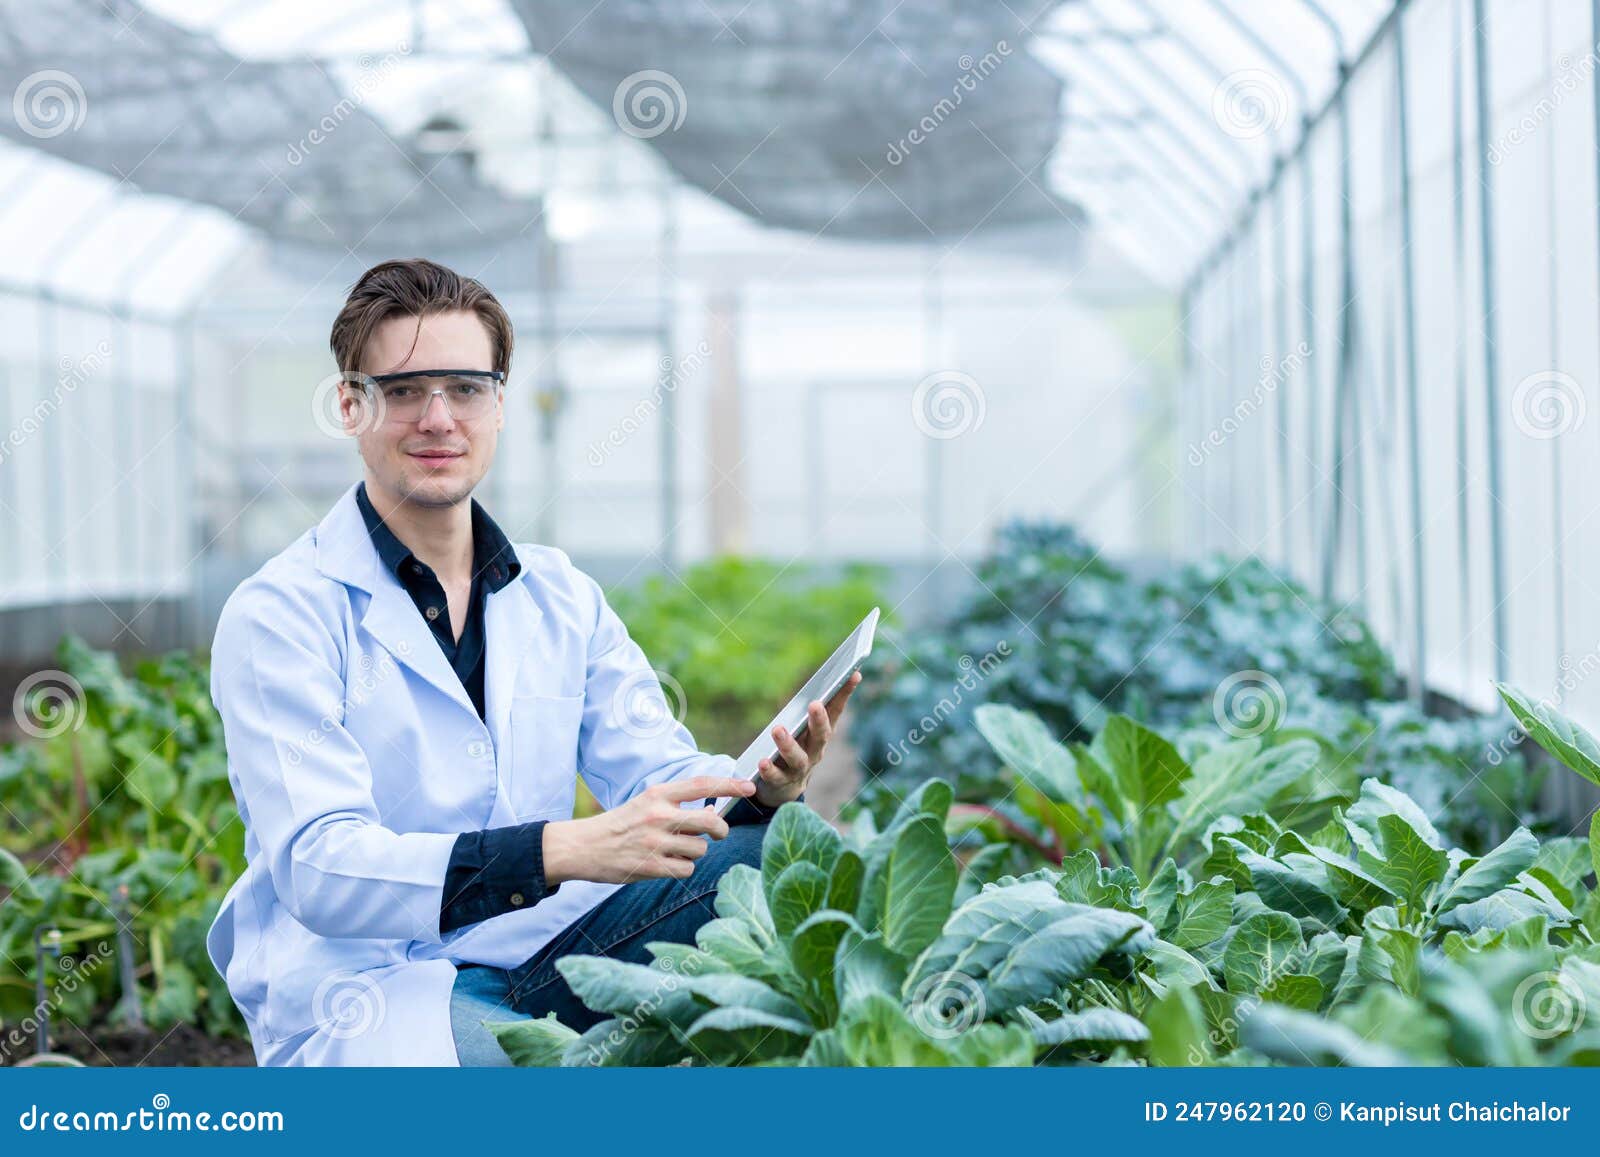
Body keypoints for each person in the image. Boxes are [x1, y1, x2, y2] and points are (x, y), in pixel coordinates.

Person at [204, 258, 859, 1066]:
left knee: (772, 848)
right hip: (371, 992)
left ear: (500, 403)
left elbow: (657, 766)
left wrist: (760, 783)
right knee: (514, 1079)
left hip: (543, 951)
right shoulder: (281, 615)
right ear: (350, 404)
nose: (438, 417)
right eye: (403, 390)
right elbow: (321, 866)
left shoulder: (557, 592)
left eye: (466, 388)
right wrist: (562, 849)